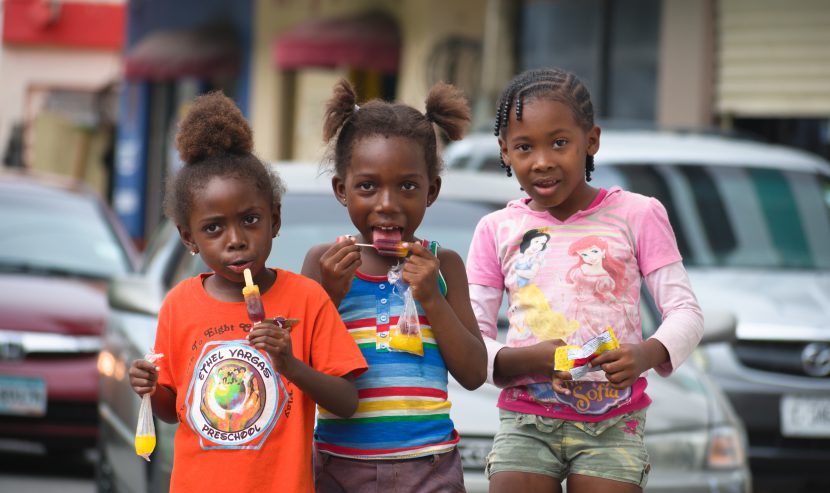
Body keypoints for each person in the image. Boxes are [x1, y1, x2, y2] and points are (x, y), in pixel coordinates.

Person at [465, 68, 704, 492]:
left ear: (591, 140)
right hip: (525, 420)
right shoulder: (495, 229)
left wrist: (646, 354)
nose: (542, 161)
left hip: (613, 425)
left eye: (560, 142)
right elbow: (471, 341)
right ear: (504, 152)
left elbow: (686, 312)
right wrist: (535, 360)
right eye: (524, 147)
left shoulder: (638, 214)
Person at [128, 91, 367, 492]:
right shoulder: (179, 305)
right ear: (189, 238)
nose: (235, 240)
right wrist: (151, 390)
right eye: (213, 228)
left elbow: (346, 401)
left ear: (274, 219)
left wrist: (289, 364)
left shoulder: (307, 298)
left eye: (250, 220)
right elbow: (174, 410)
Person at [301, 79, 488, 493]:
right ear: (341, 190)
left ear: (431, 191)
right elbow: (299, 366)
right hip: (339, 467)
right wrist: (328, 295)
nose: (387, 203)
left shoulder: (445, 266)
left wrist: (431, 298)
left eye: (407, 186)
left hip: (430, 468)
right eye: (367, 186)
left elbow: (475, 372)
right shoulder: (323, 264)